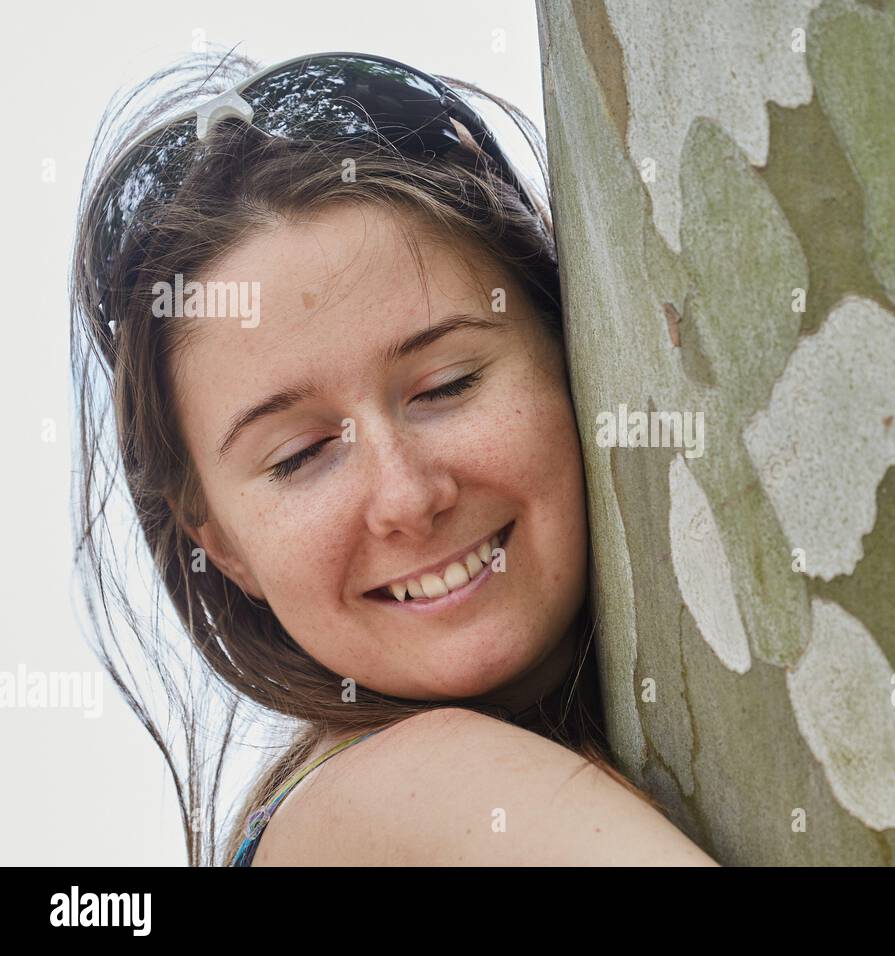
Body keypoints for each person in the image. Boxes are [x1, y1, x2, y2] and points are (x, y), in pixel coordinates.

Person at [70, 49, 717, 866]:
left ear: (573, 348)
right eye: (300, 455)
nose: (408, 497)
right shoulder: (401, 792)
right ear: (222, 546)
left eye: (446, 386)